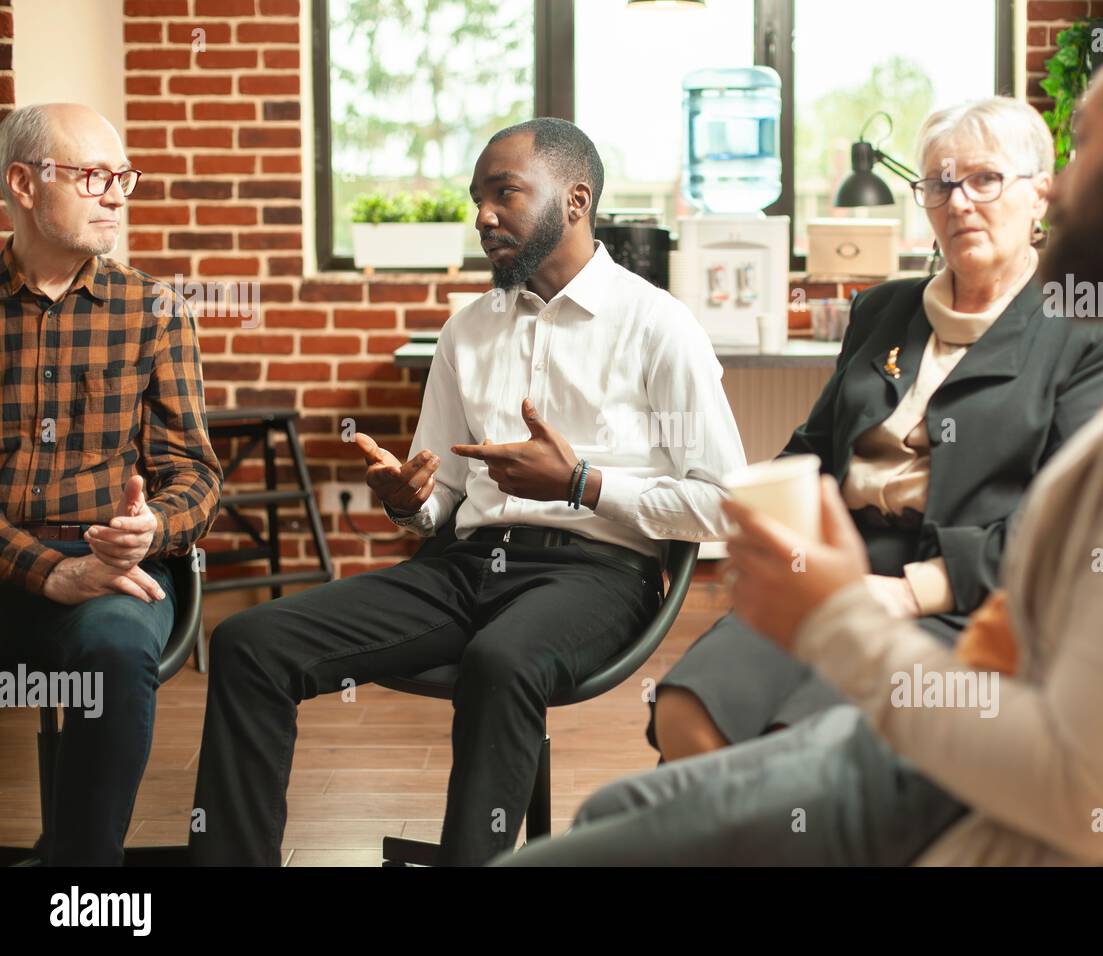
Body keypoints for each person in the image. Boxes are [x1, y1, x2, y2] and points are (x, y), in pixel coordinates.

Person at [498, 28, 1103, 866]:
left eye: (1084, 148)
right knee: (628, 795)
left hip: (969, 790)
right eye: (941, 183)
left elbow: (1081, 788)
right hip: (958, 733)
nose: (1059, 186)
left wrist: (839, 618)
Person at [188, 118, 747, 866]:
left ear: (575, 200)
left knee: (500, 660)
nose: (483, 215)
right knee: (250, 643)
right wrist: (407, 499)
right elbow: (440, 497)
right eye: (477, 198)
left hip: (597, 575)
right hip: (466, 565)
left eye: (504, 193)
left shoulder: (658, 326)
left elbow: (724, 505)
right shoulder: (467, 330)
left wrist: (581, 483)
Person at [651, 96, 1103, 763]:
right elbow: (816, 449)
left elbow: (1064, 523)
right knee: (688, 713)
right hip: (838, 566)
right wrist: (761, 518)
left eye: (985, 180)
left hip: (966, 594)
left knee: (800, 751)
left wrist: (911, 590)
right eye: (940, 184)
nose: (959, 203)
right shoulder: (884, 309)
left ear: (1040, 195)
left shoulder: (1087, 329)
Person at [0, 103, 221, 865]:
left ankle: (84, 880)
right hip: (10, 559)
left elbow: (193, 472)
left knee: (118, 650)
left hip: (111, 569)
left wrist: (152, 527)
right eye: (94, 177)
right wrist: (46, 571)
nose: (118, 195)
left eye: (123, 176)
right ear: (24, 183)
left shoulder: (155, 309)